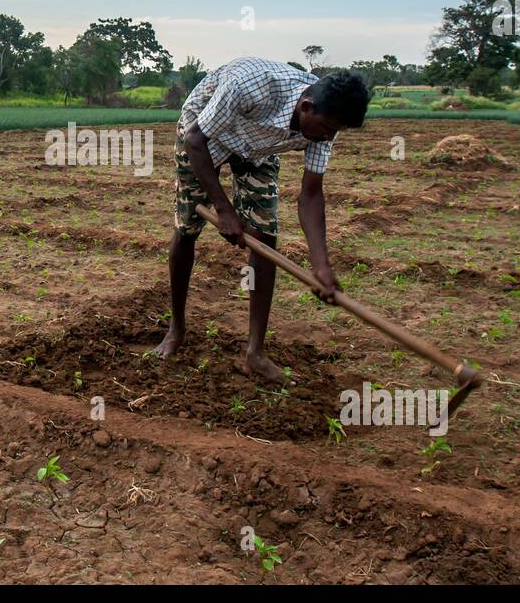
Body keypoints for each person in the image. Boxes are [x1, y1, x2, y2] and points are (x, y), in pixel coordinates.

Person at [153, 58, 369, 383]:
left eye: (333, 132)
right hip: (203, 134)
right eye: (325, 131)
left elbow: (311, 195)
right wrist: (224, 210)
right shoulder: (250, 86)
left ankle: (255, 353)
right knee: (186, 229)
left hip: (259, 146)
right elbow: (195, 140)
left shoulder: (324, 124)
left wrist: (320, 264)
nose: (327, 139)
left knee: (265, 235)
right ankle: (176, 329)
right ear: (306, 107)